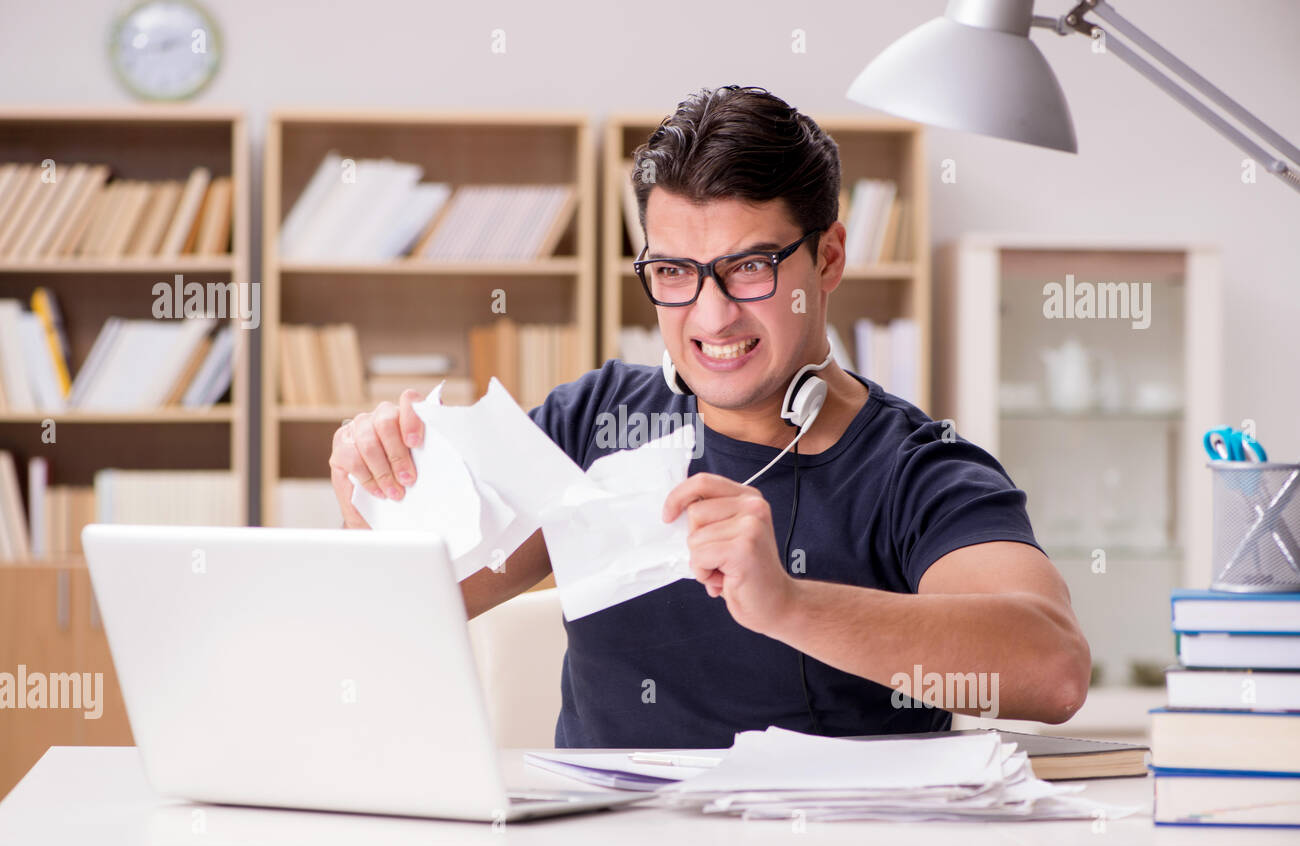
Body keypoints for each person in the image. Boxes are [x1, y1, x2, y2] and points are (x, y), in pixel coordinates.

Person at [328, 85, 1091, 749]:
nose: (711, 315)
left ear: (827, 259)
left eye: (749, 267)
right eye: (673, 273)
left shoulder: (915, 469)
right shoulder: (596, 420)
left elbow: (1051, 671)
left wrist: (789, 604)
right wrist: (369, 488)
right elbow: (404, 608)